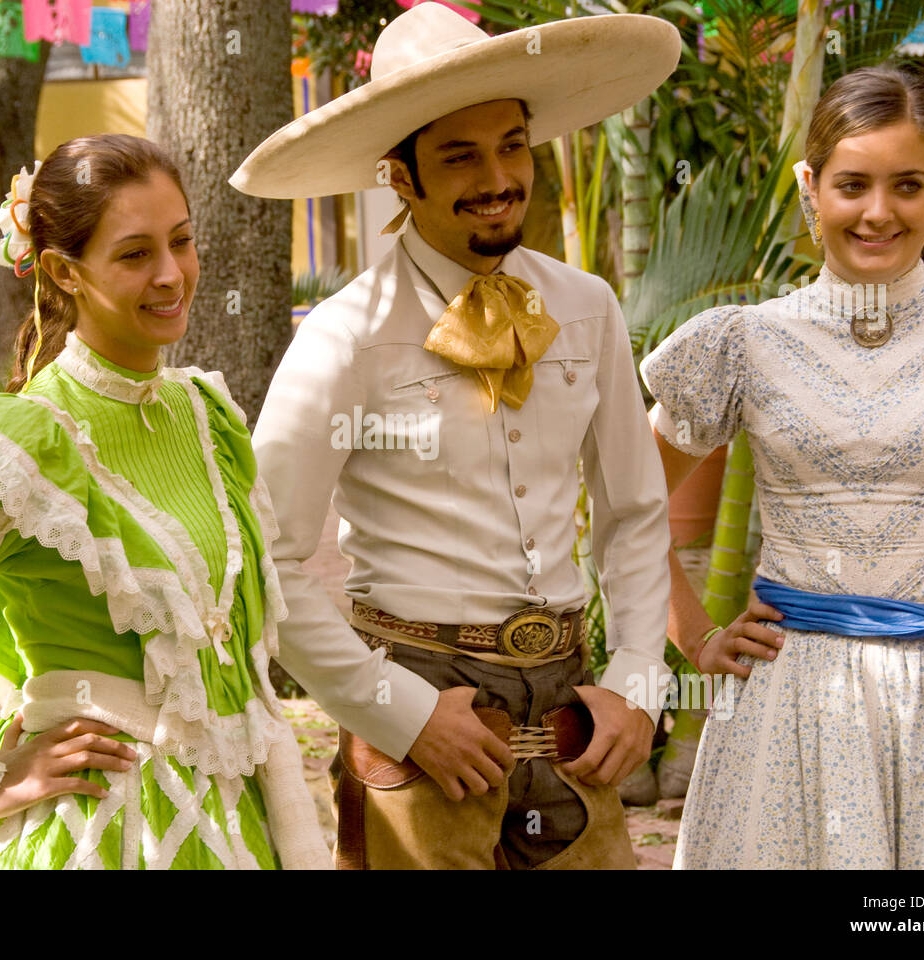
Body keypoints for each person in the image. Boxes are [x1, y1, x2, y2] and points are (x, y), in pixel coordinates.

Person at [0, 134, 329, 870]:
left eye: (181, 242)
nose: (171, 275)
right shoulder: (14, 444)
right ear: (62, 272)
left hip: (236, 831)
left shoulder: (204, 414)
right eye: (135, 254)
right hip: (93, 836)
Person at [231, 4, 679, 869]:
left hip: (573, 716)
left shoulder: (587, 309)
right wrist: (396, 711)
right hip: (424, 709)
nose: (498, 176)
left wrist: (635, 682)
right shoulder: (342, 338)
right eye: (460, 155)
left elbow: (633, 512)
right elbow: (264, 559)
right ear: (400, 177)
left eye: (511, 145)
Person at [642, 67, 924, 869]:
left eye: (908, 185)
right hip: (788, 704)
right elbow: (626, 501)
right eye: (853, 184)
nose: (878, 212)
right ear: (810, 188)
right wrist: (694, 634)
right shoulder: (744, 341)